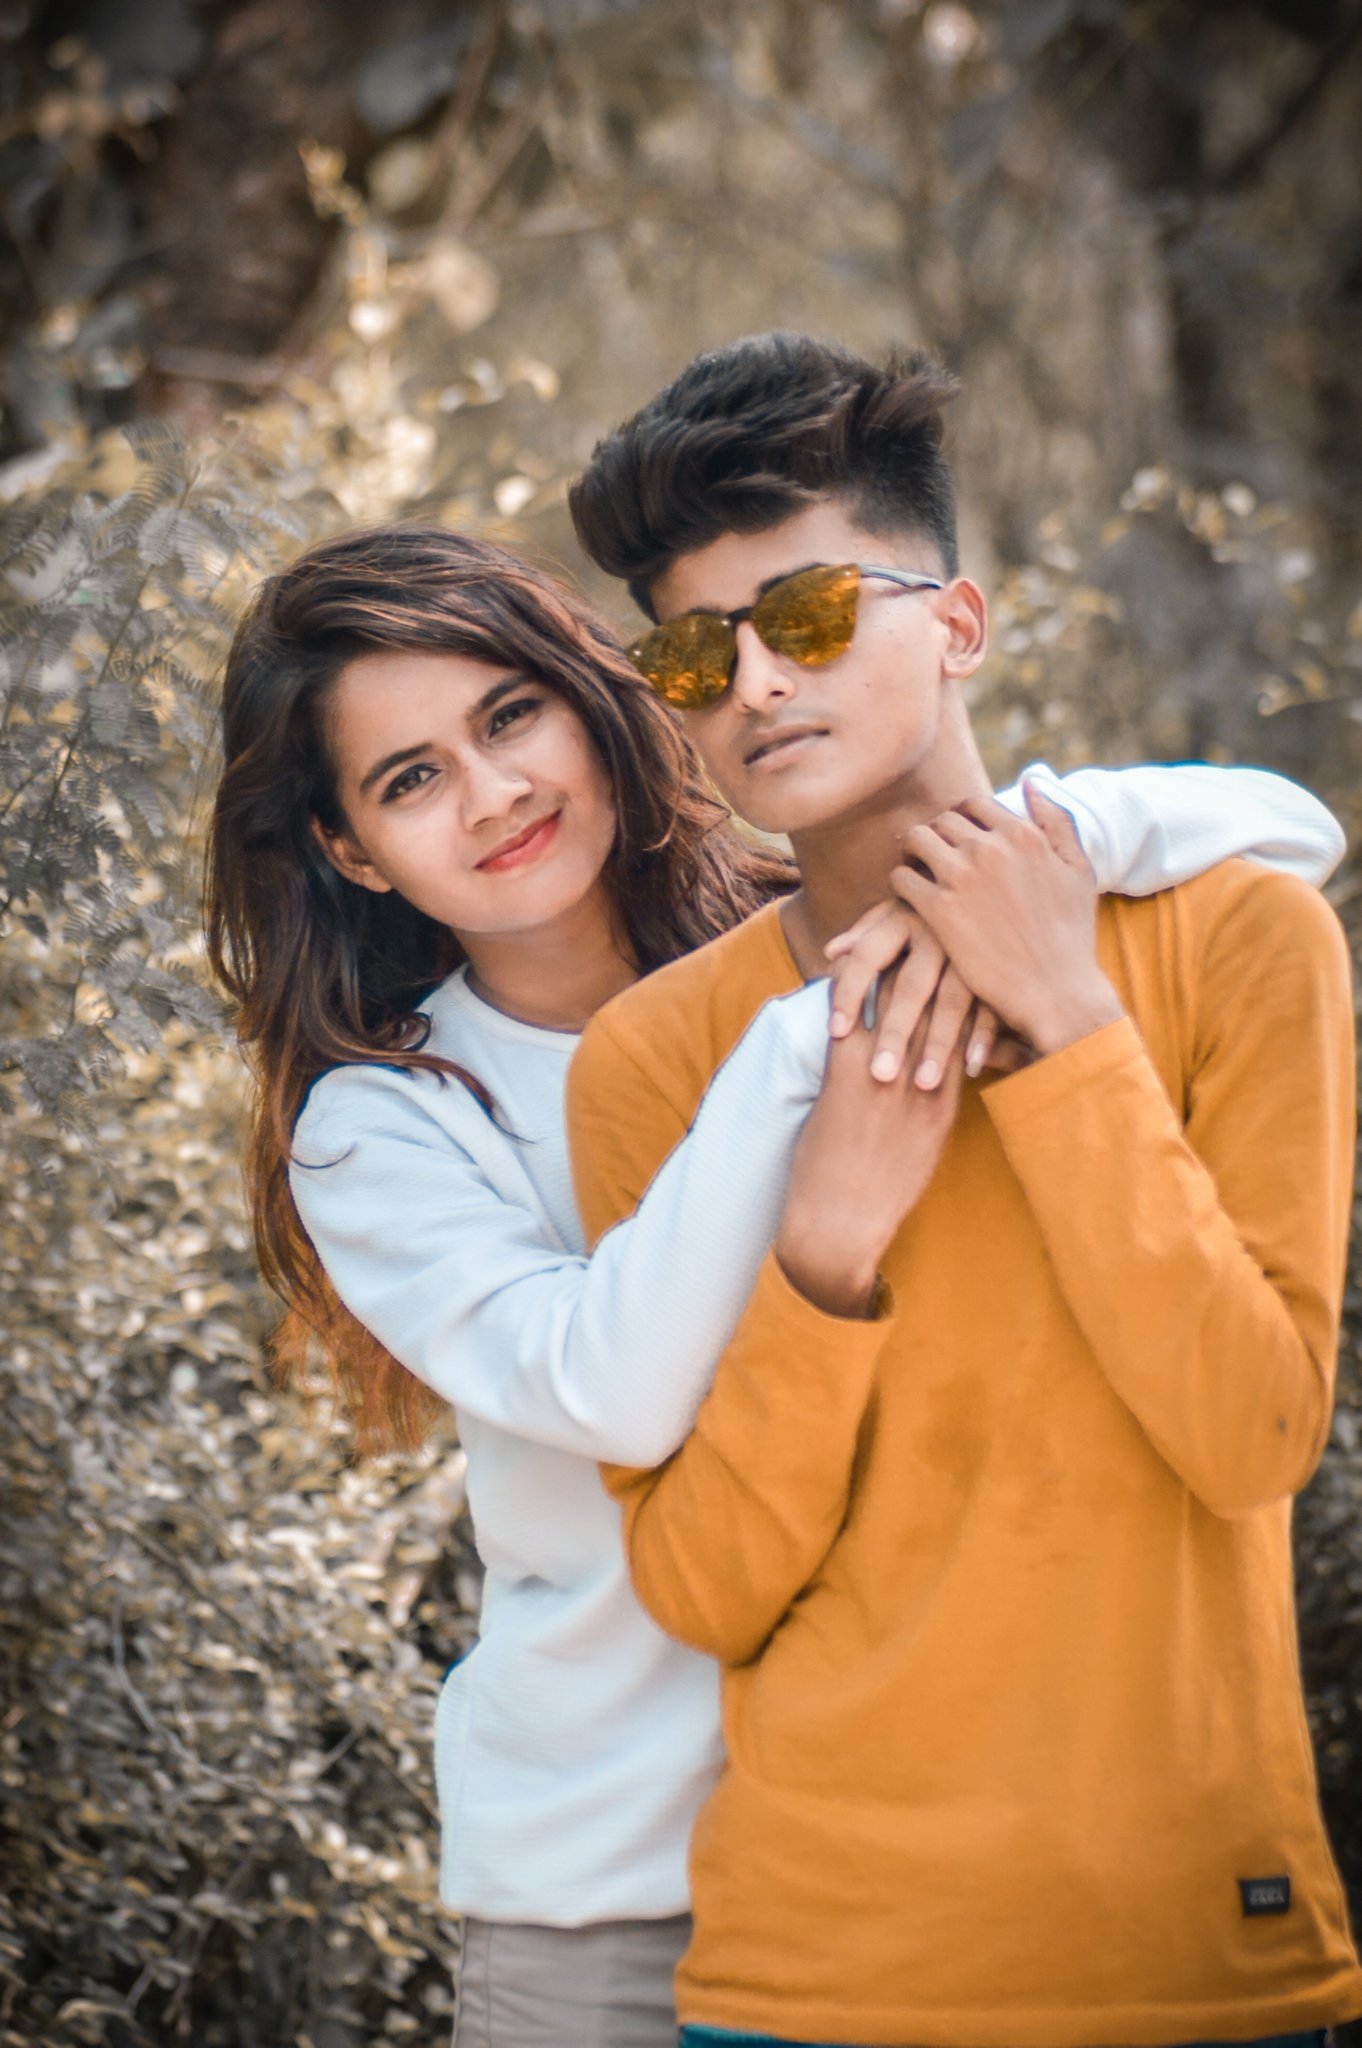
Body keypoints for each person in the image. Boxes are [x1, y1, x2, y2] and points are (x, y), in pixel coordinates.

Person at [205, 521, 1345, 2048]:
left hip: (890, 1840)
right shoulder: (391, 1121)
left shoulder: (801, 927)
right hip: (605, 1874)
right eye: (410, 781)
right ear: (349, 850)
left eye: (508, 719)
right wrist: (809, 1040)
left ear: (597, 704)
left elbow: (1276, 829)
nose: (493, 797)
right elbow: (599, 1378)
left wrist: (1032, 861)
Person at [566, 333, 1362, 2048]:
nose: (752, 688)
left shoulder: (1243, 944)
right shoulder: (654, 1063)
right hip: (808, 1982)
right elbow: (700, 1585)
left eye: (804, 614)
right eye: (695, 652)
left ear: (960, 621)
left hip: (1193, 1960)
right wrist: (828, 1251)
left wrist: (1069, 1028)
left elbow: (1250, 1436)